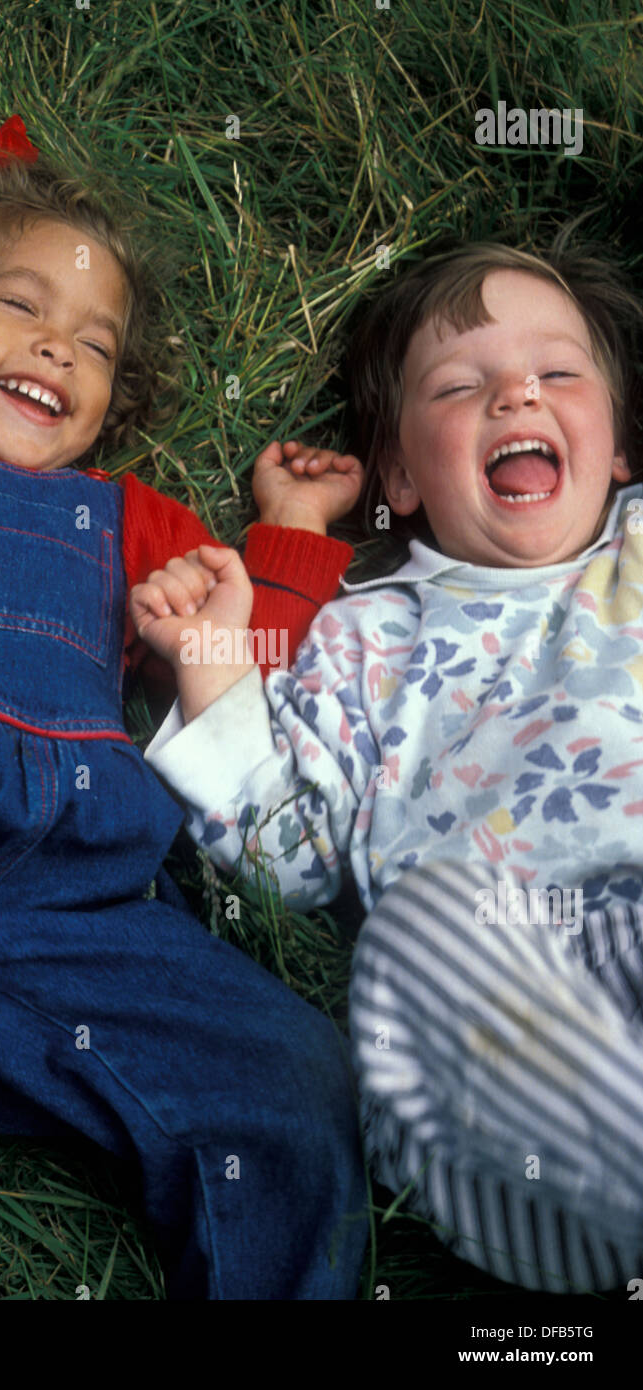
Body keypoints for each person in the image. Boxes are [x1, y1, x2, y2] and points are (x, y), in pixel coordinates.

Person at [0, 74, 370, 1299]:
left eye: (93, 344)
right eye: (20, 304)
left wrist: (283, 533)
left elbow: (250, 664)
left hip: (86, 940)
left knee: (295, 1080)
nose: (56, 347)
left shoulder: (128, 522)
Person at [134, 238, 643, 1293]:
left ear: (620, 444)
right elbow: (288, 853)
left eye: (557, 374)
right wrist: (218, 665)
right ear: (401, 474)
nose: (515, 394)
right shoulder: (368, 638)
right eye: (460, 385)